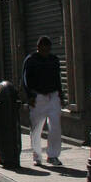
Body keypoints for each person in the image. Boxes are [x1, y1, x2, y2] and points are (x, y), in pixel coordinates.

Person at [23, 36, 64, 168]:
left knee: (55, 126)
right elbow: (25, 79)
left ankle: (53, 155)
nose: (46, 51)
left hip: (53, 96)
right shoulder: (31, 60)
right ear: (38, 47)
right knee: (36, 128)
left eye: (48, 48)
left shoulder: (54, 60)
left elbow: (58, 79)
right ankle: (37, 156)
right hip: (38, 97)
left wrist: (60, 95)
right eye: (43, 48)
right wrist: (29, 96)